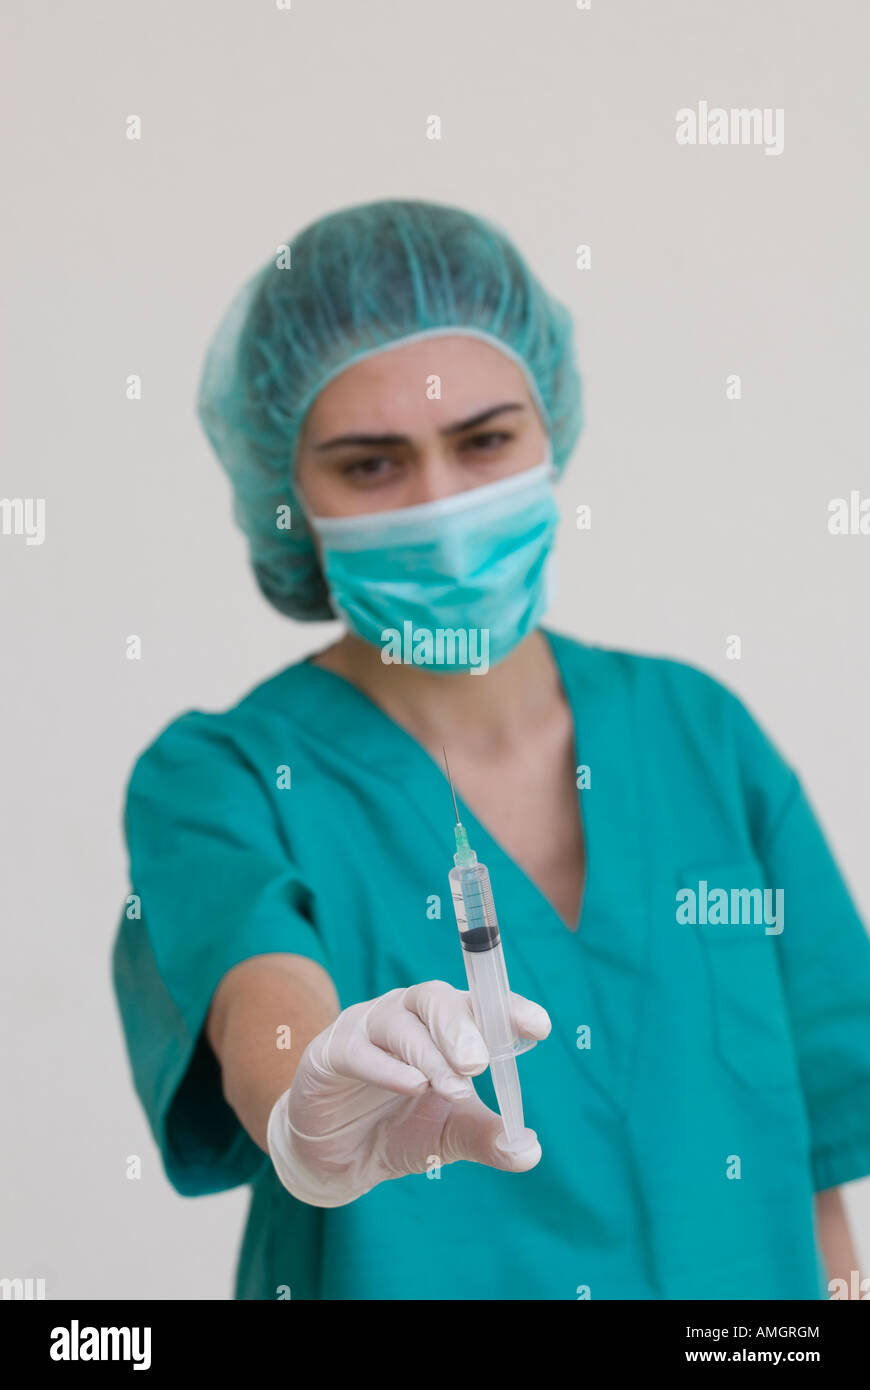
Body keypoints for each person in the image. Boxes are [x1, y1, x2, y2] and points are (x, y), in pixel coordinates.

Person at [112, 198, 870, 1300]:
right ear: (289, 492)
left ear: (548, 426)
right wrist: (306, 1103)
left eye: (484, 441)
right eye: (371, 465)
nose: (443, 505)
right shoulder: (224, 775)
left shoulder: (696, 732)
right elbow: (259, 994)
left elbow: (813, 1149)